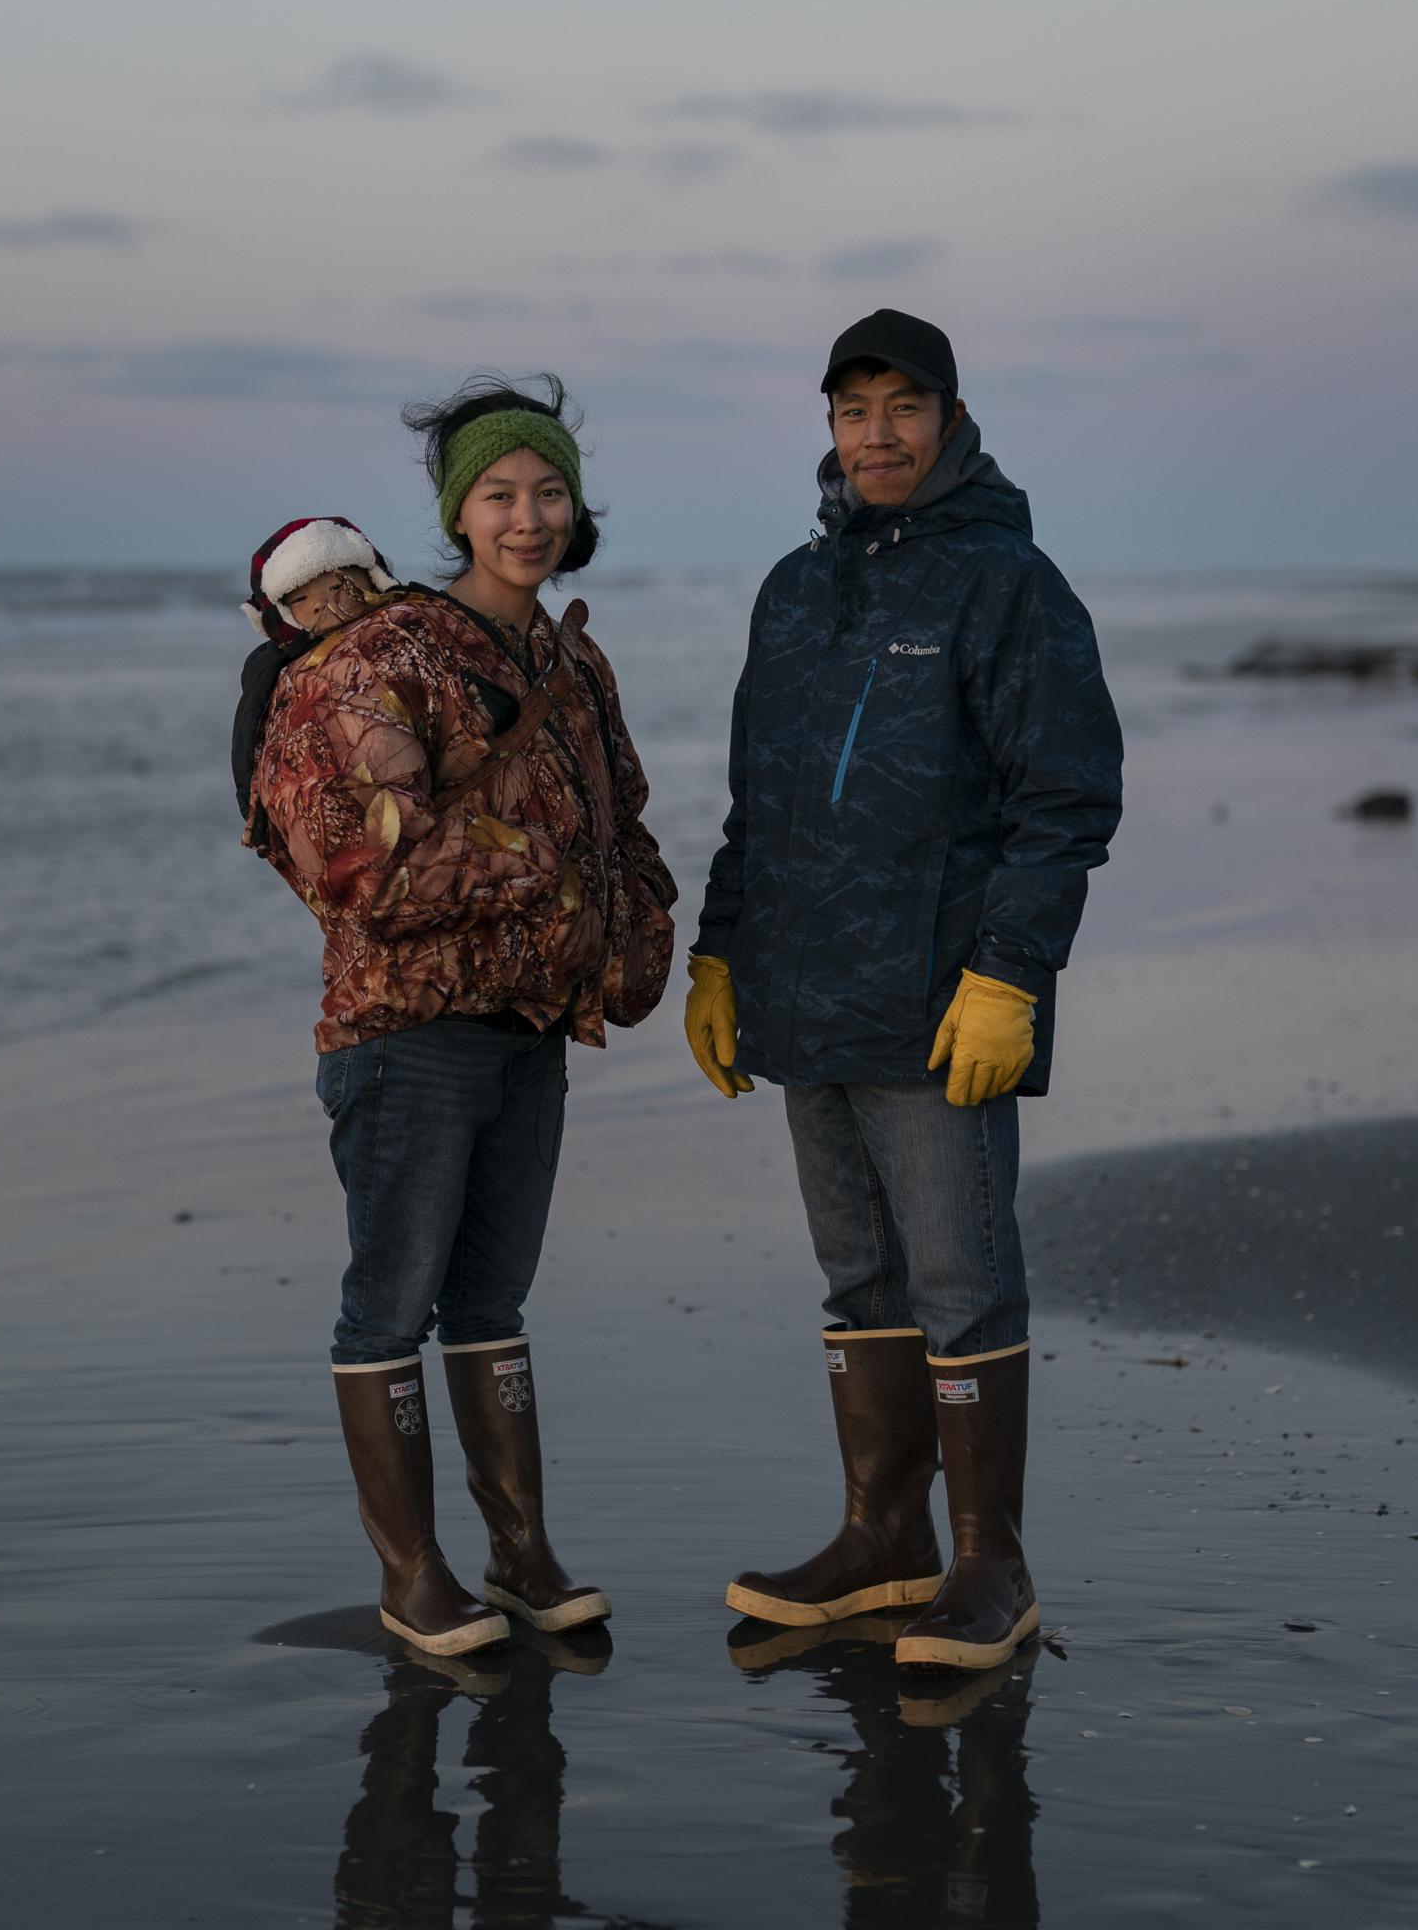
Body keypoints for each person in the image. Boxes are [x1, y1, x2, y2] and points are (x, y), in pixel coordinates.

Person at [687, 309, 1123, 1670]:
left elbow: (1067, 801)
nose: (876, 434)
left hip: (942, 1002)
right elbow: (756, 799)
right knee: (858, 1277)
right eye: (851, 409)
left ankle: (995, 1567)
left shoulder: (1009, 582)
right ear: (826, 426)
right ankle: (884, 1540)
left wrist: (1010, 976)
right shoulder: (794, 588)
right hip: (807, 998)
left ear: (950, 419)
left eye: (902, 406)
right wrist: (720, 947)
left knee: (961, 1283)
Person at [245, 378, 676, 1657]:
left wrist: (643, 928)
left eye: (548, 493)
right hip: (407, 1031)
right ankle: (414, 1573)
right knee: (391, 1302)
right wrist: (546, 875)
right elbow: (353, 854)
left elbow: (625, 823)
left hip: (529, 1028)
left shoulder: (572, 659)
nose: (527, 517)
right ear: (457, 513)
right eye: (499, 495)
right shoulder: (380, 657)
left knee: (494, 1299)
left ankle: (523, 1557)